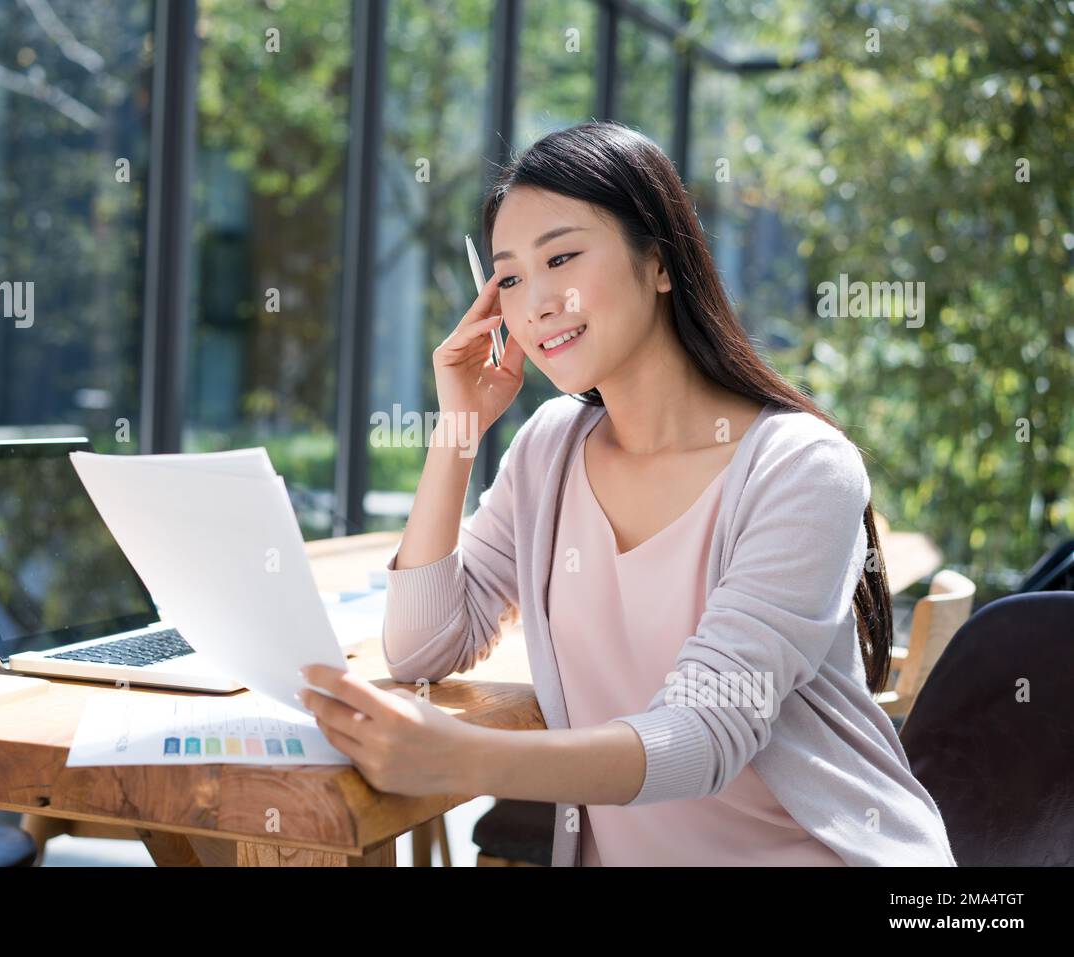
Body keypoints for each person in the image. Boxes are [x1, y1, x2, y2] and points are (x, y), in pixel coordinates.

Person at [299, 120, 956, 866]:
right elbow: (424, 645)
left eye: (564, 257)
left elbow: (705, 734)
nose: (537, 300)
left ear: (661, 263)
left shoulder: (800, 468)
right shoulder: (549, 448)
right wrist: (458, 430)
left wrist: (465, 758)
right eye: (510, 277)